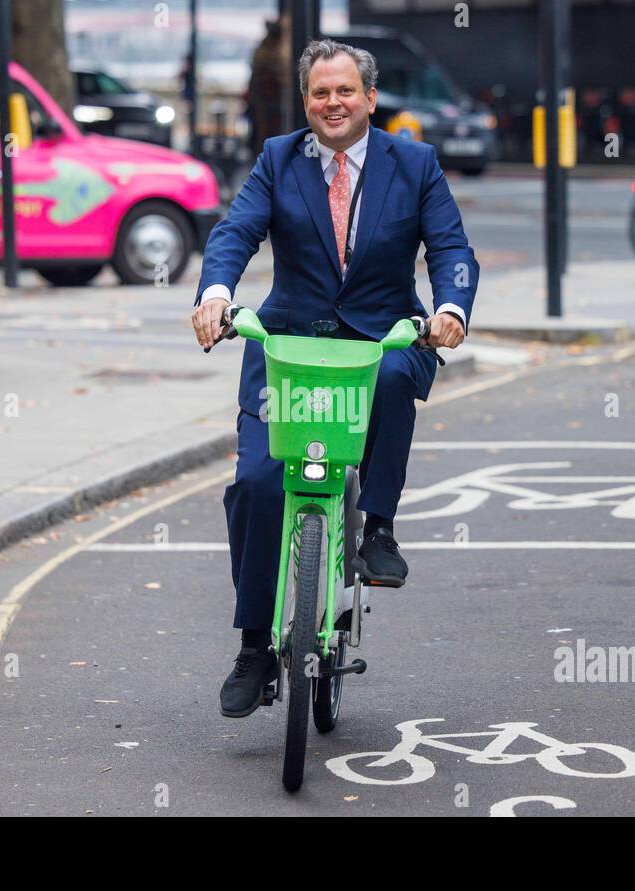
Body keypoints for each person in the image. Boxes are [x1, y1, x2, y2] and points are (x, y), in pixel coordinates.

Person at [189, 39, 479, 718]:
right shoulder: (277, 158)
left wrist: (448, 309)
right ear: (307, 101)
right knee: (259, 484)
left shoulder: (415, 163)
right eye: (320, 93)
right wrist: (215, 294)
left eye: (346, 91)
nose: (333, 103)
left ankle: (377, 527)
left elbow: (450, 248)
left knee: (392, 376)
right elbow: (234, 232)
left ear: (370, 98)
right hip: (290, 347)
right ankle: (256, 645)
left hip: (381, 336)